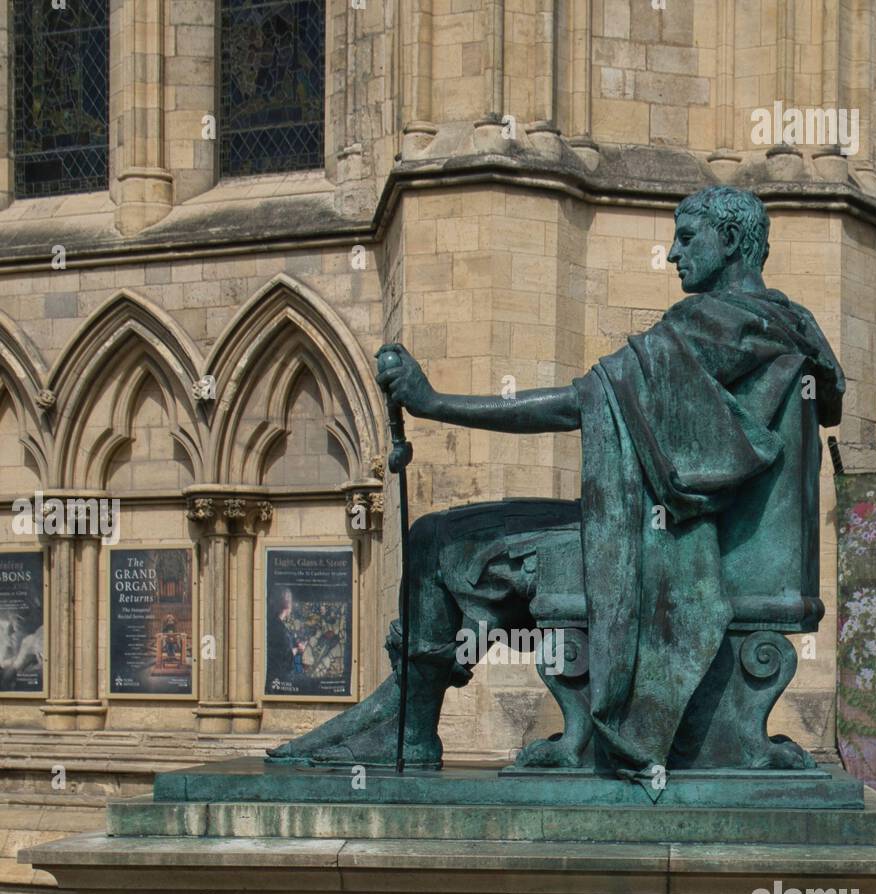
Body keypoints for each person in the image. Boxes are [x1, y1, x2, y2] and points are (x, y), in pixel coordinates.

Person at [269, 186, 844, 780]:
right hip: (694, 535)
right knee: (457, 534)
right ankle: (406, 711)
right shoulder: (790, 325)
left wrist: (435, 403)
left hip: (678, 545)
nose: (673, 254)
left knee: (434, 540)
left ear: (729, 240)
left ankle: (411, 727)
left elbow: (578, 403)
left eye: (686, 238)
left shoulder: (712, 324)